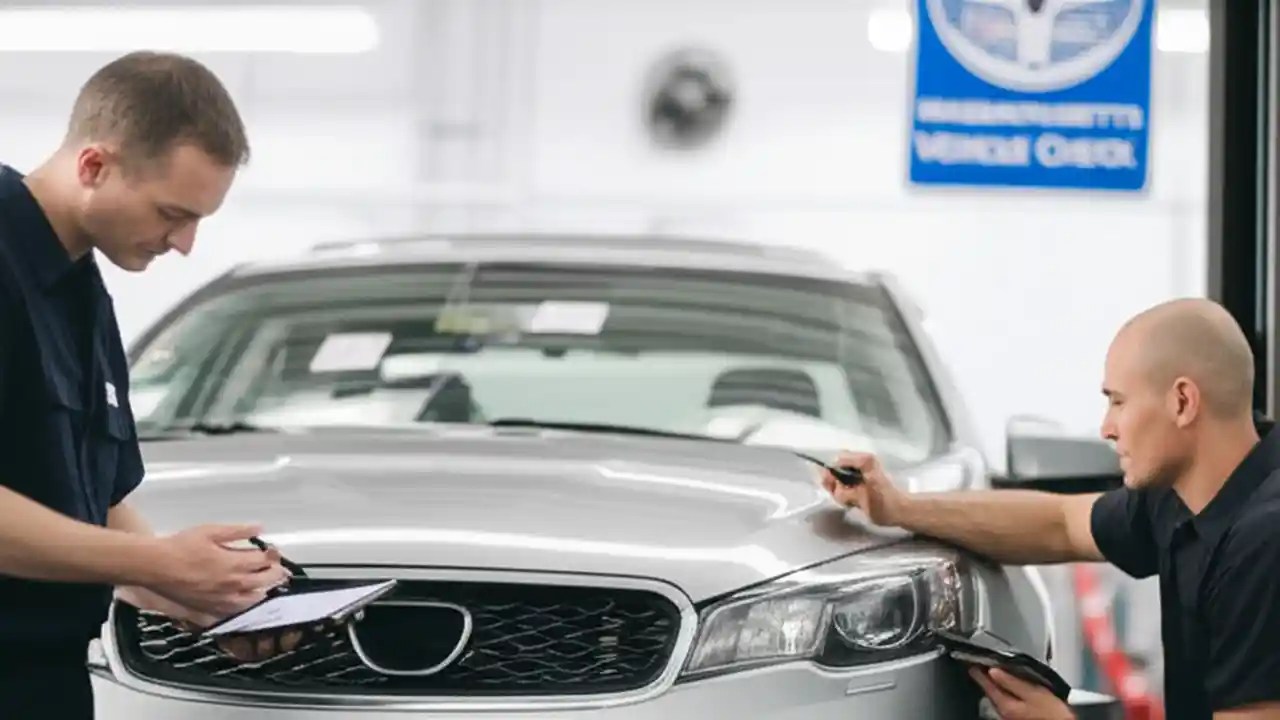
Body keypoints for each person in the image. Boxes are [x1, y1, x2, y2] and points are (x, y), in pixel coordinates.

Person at [823, 297, 1280, 720]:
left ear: (1182, 402)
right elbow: (1059, 524)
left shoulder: (1264, 544)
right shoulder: (1184, 497)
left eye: (1118, 402)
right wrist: (899, 507)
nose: (1107, 428)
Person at [0, 51, 288, 718]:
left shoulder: (83, 290)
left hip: (46, 681)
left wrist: (198, 594)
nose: (184, 243)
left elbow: (88, 500)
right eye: (172, 212)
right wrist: (159, 563)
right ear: (94, 166)